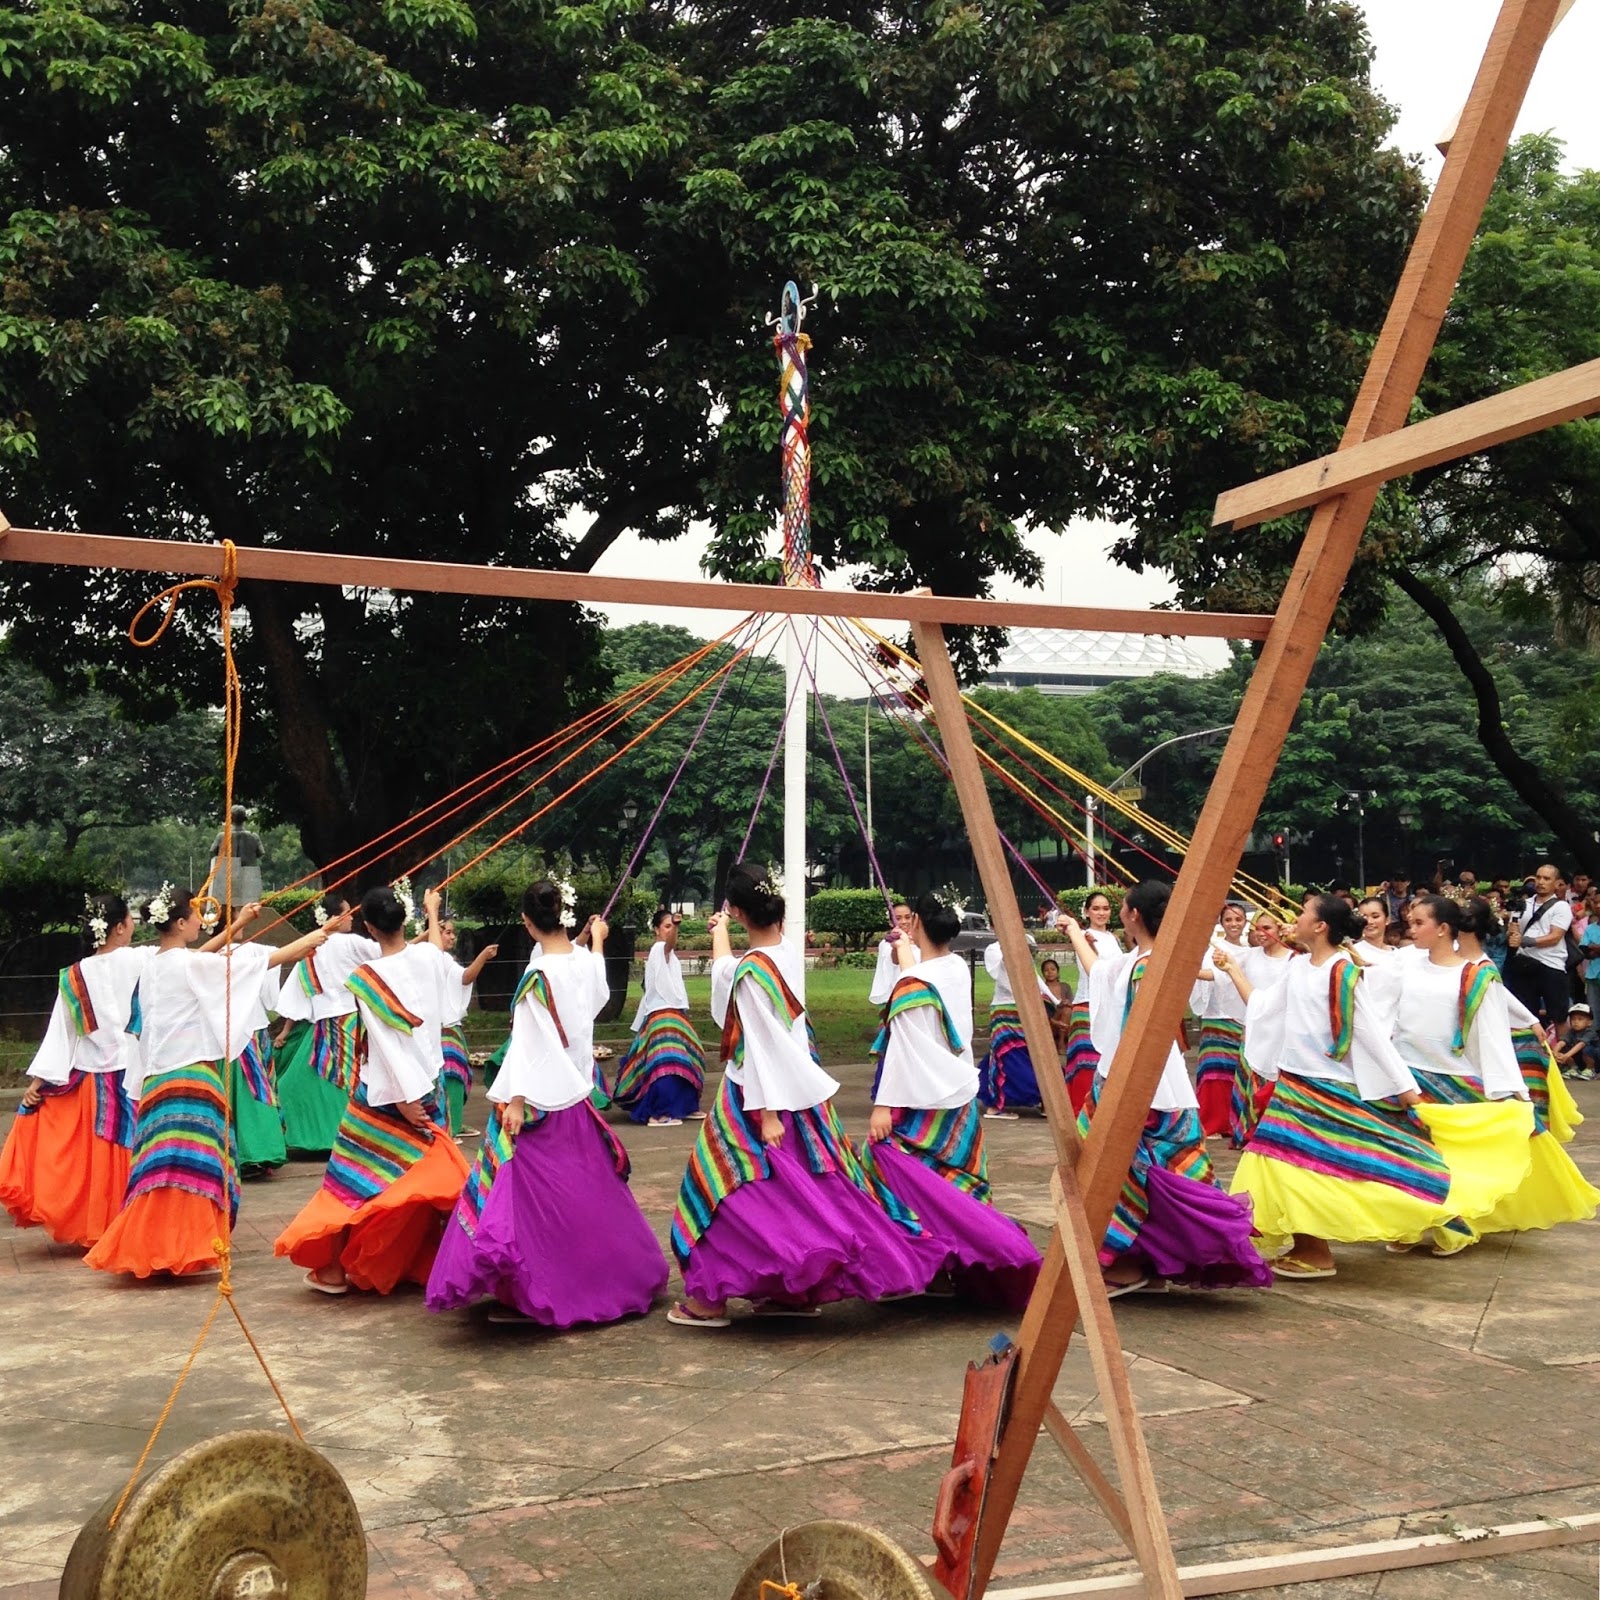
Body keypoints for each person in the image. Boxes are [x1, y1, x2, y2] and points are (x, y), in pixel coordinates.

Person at [666, 862, 927, 1327]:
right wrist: (724, 930)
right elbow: (730, 969)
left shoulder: (751, 972)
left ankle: (711, 1297)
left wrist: (766, 1114)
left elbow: (761, 1045)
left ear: (739, 911)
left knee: (719, 1190)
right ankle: (789, 1288)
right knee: (799, 1187)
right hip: (800, 1088)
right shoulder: (783, 953)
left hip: (757, 1094)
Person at [427, 884, 668, 1326]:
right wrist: (596, 938)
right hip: (577, 1094)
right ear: (563, 914)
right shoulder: (585, 964)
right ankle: (607, 1275)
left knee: (526, 1198)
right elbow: (593, 988)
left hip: (539, 1100)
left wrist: (514, 1100)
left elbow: (527, 1043)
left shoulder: (537, 975)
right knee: (581, 1192)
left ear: (526, 921)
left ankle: (534, 1286)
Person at [1218, 895, 1467, 1279]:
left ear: (1320, 927)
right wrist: (1234, 969)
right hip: (1294, 1085)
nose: (1295, 918)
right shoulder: (1298, 966)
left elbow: (1370, 1034)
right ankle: (1310, 1248)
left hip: (1328, 1089)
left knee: (1331, 1167)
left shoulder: (1342, 971)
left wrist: (1406, 1091)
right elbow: (1262, 1008)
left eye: (1303, 913)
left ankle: (1320, 1250)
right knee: (1283, 1165)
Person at [85, 891, 328, 1278]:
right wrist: (306, 943)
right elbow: (249, 964)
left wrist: (240, 926)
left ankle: (153, 1244)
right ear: (180, 923)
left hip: (156, 1082)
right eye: (196, 916)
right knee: (196, 1169)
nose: (202, 923)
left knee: (160, 1169)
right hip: (192, 1079)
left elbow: (206, 960)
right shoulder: (186, 964)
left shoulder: (154, 965)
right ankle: (185, 1245)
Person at [1062, 883, 1270, 1297]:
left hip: (1141, 1079)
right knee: (1147, 1170)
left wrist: (1127, 1090)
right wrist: (1071, 932)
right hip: (1152, 1076)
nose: (1118, 911)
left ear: (1134, 915)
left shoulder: (1148, 966)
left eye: (1121, 906)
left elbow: (1137, 1026)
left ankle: (1130, 1261)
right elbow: (1099, 971)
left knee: (1119, 1169)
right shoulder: (1140, 960)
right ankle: (1148, 1260)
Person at [274, 886, 473, 1294]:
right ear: (405, 921)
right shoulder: (428, 958)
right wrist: (433, 913)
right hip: (426, 1086)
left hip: (386, 1095)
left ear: (367, 928)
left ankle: (333, 1268)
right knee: (433, 1177)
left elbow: (385, 1046)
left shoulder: (367, 979)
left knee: (350, 1180)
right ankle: (442, 1261)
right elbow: (434, 948)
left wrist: (403, 1101)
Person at [856, 890, 1042, 1308]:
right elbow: (924, 978)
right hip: (958, 1094)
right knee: (955, 1187)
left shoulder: (913, 983)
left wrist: (883, 1105)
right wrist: (907, 954)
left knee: (888, 1174)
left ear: (917, 921)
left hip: (922, 1098)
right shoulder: (957, 968)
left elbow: (903, 1045)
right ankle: (947, 1269)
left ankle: (919, 1266)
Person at [1394, 895, 1595, 1246]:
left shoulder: (1477, 974)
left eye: (1418, 923)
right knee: (1411, 1153)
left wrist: (1511, 1092)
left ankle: (1451, 1223)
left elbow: (1491, 1037)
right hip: (1409, 1077)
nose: (1410, 929)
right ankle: (1414, 1221)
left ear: (1442, 929)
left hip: (1453, 1079)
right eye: (1410, 923)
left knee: (1453, 1159)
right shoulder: (1404, 964)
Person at [0, 894, 147, 1247]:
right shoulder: (141, 959)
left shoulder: (75, 975)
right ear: (119, 927)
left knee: (92, 1153)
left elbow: (61, 1031)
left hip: (91, 1077)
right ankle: (134, 1218)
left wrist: (40, 1081)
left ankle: (101, 1220)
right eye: (128, 921)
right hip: (134, 1070)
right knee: (134, 1145)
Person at [611, 907, 706, 1127]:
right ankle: (659, 1112)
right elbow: (670, 943)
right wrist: (676, 926)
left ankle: (684, 1107)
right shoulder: (658, 949)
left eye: (671, 927)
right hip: (662, 1013)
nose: (670, 930)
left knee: (691, 1058)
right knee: (666, 1063)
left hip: (674, 1013)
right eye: (666, 926)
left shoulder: (668, 954)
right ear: (656, 930)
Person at [1228, 911, 1294, 1144]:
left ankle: (1271, 1134)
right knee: (1250, 1083)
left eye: (1267, 927)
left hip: (1281, 1034)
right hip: (1253, 1028)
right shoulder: (1250, 955)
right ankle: (1247, 1133)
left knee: (1272, 1085)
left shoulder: (1294, 959)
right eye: (1257, 928)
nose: (1261, 933)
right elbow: (1222, 968)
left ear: (1280, 929)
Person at [1189, 901, 1251, 1138]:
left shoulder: (1250, 950)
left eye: (1238, 919)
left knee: (1239, 1073)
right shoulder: (1215, 948)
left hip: (1243, 1019)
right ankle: (1212, 1122)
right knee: (1215, 1073)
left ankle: (1235, 1121)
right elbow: (1206, 974)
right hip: (1218, 1017)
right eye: (1228, 920)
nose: (1234, 924)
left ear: (1245, 922)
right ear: (1221, 923)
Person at [434, 915, 498, 1138]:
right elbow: (466, 977)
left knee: (454, 1075)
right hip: (444, 1028)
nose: (452, 936)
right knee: (452, 1076)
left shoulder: (440, 958)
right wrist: (483, 956)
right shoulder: (437, 958)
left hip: (445, 1027)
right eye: (447, 932)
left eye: (453, 932)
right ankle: (449, 1128)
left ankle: (454, 1124)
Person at [976, 935, 1053, 1118]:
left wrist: (1053, 998)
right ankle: (997, 1105)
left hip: (1027, 1007)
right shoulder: (994, 949)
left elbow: (1031, 973)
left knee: (1032, 1053)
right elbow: (1002, 977)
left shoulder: (1026, 939)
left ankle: (1043, 1098)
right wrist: (1029, 996)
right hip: (1005, 1009)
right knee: (1006, 1055)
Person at [1506, 863, 1574, 1026]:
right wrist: (1512, 934)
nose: (1541, 882)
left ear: (1557, 883)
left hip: (1551, 964)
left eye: (1546, 878)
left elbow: (1555, 937)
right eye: (1538, 877)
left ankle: (1561, 1050)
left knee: (1559, 1015)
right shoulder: (1524, 904)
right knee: (1526, 1014)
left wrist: (1525, 941)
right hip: (1526, 964)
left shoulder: (1561, 906)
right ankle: (1529, 1050)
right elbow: (1513, 931)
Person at [206, 805, 265, 909]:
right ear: (245, 819)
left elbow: (213, 851)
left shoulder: (221, 837)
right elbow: (261, 852)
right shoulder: (254, 837)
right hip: (249, 882)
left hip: (225, 878)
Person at [868, 903, 919, 1006]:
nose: (904, 922)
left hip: (919, 993)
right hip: (895, 996)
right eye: (898, 918)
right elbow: (894, 960)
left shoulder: (921, 941)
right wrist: (898, 943)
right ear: (891, 922)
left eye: (907, 917)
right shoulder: (887, 944)